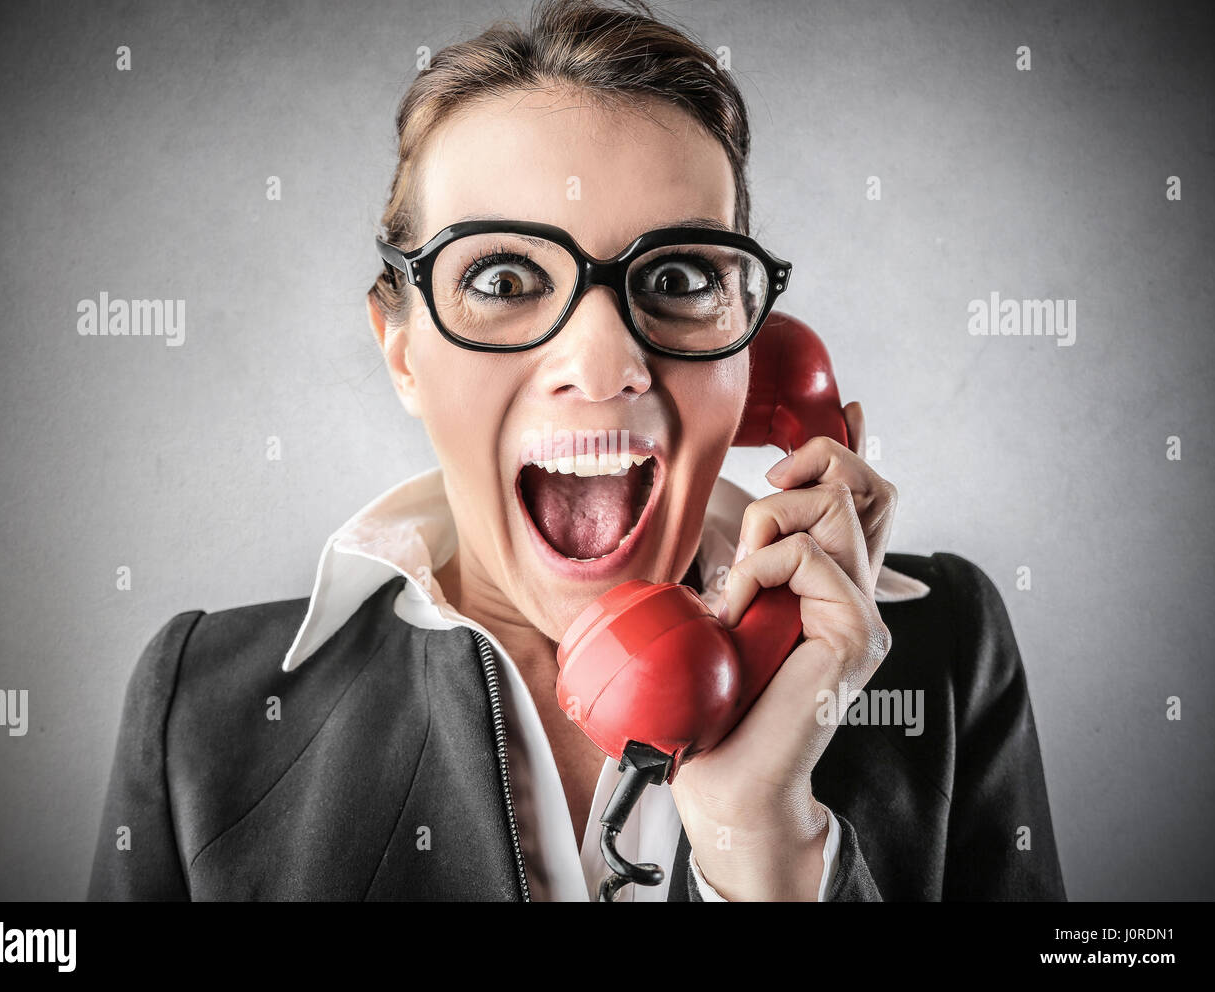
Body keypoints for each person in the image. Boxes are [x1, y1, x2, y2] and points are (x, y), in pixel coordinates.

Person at [89, 0, 1066, 902]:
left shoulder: (944, 655)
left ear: (759, 361)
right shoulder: (206, 708)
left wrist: (764, 847)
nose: (604, 363)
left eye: (679, 275)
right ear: (402, 350)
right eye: (505, 274)